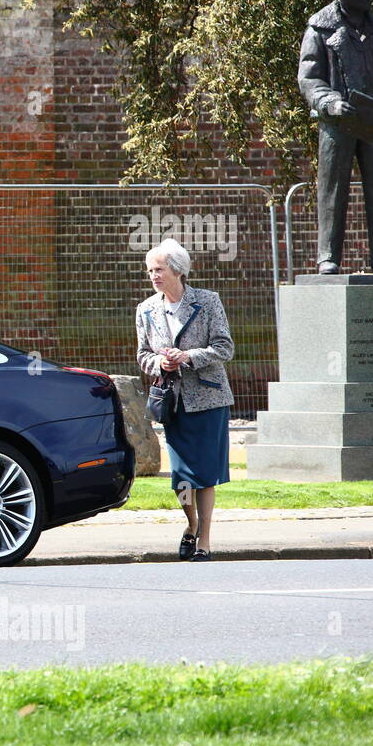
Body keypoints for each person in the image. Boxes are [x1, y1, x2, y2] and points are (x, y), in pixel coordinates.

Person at [137, 238, 235, 562]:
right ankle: (191, 523)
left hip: (208, 399)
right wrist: (159, 363)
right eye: (150, 270)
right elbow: (142, 355)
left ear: (177, 271)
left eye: (159, 269)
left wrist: (188, 356)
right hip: (173, 402)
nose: (154, 275)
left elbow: (225, 348)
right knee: (182, 476)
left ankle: (204, 541)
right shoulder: (146, 310)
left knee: (206, 473)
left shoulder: (207, 302)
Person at [298, 0, 373, 274]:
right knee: (333, 188)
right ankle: (328, 257)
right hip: (338, 118)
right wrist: (330, 102)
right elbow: (309, 78)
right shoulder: (320, 28)